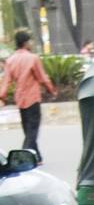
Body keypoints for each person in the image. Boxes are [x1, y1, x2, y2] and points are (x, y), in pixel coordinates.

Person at [0, 28, 57, 166]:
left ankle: (37, 157)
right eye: (30, 40)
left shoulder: (11, 60)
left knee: (27, 128)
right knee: (32, 130)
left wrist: (1, 96)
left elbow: (6, 81)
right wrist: (52, 90)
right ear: (25, 43)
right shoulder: (32, 58)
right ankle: (23, 156)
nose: (31, 43)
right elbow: (42, 77)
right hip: (32, 98)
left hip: (20, 99)